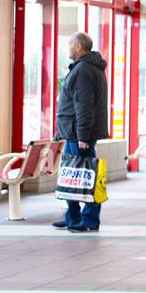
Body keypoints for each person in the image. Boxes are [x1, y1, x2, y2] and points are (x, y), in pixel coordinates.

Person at [51, 32, 108, 233]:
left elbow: (84, 106)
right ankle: (72, 216)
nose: (67, 48)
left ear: (78, 47)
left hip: (79, 134)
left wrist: (83, 136)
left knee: (86, 176)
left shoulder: (83, 70)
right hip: (75, 133)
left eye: (70, 45)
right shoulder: (88, 68)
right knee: (73, 176)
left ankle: (89, 219)